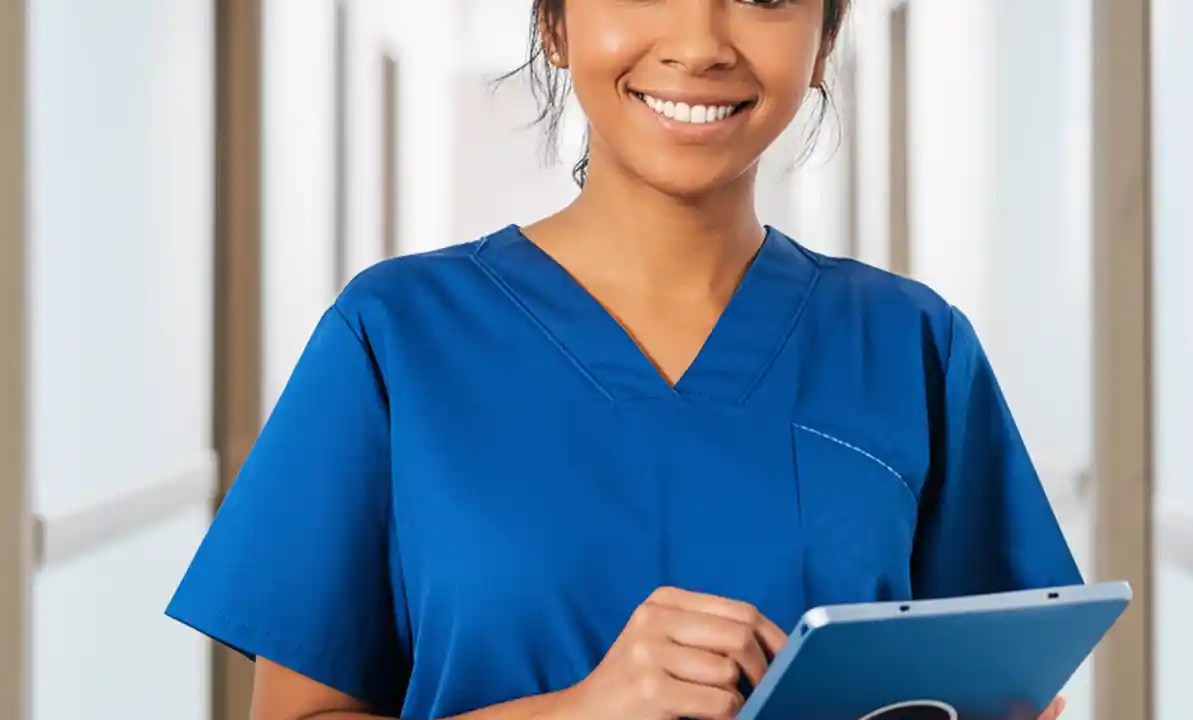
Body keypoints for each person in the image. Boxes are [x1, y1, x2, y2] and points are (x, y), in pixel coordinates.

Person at [167, 1, 1080, 718]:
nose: (699, 41)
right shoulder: (393, 338)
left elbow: (990, 684)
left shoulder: (914, 347)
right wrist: (582, 713)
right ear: (554, 24)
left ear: (825, 35)